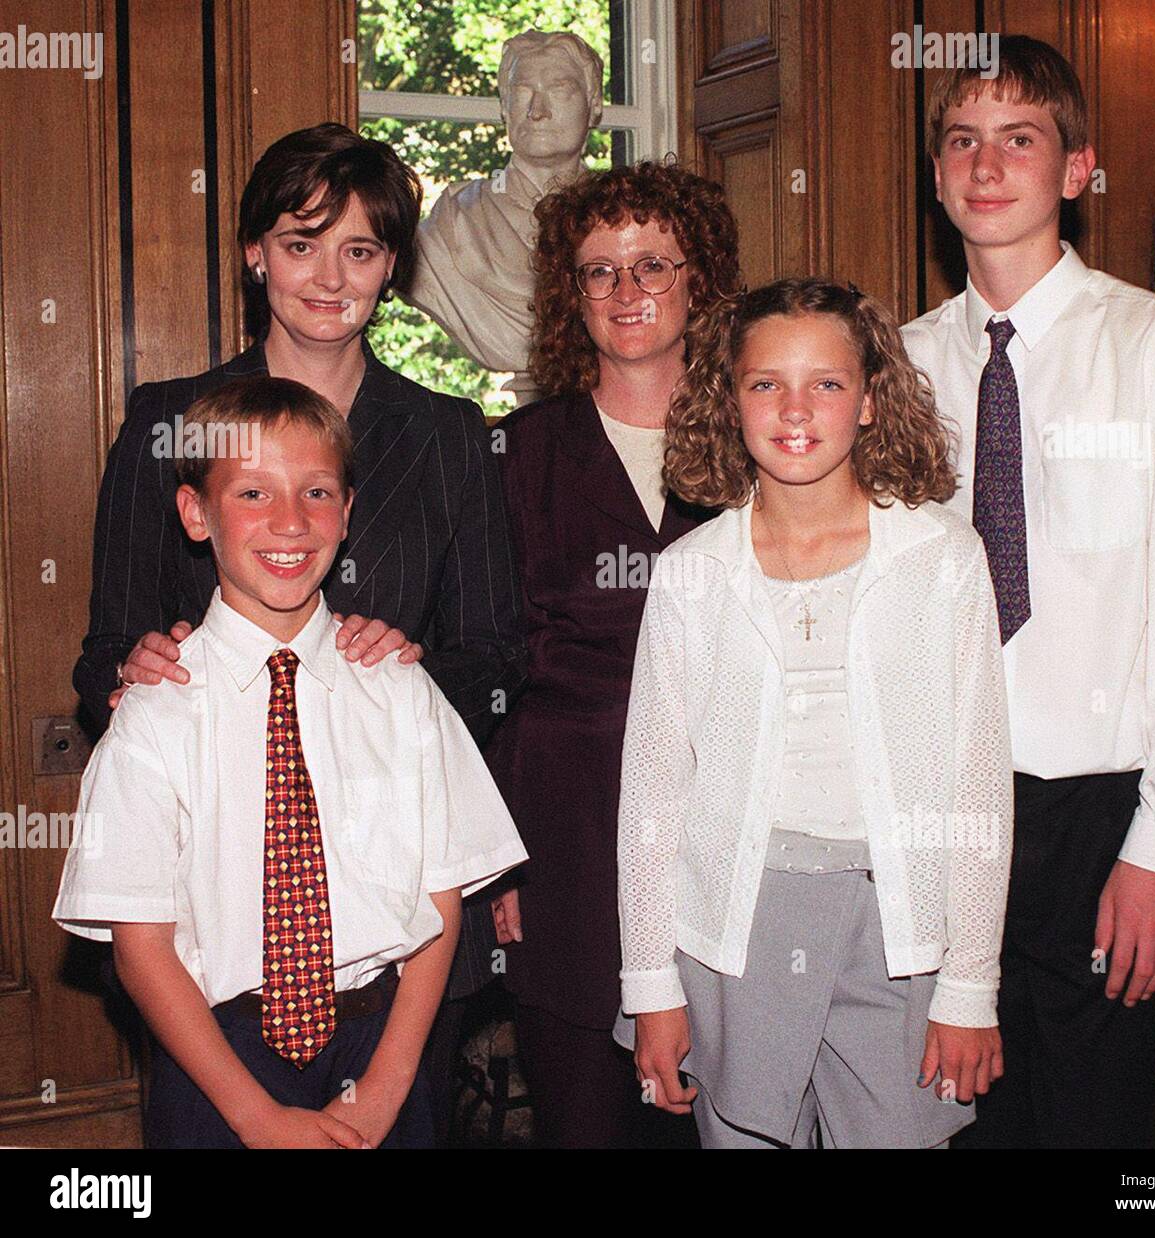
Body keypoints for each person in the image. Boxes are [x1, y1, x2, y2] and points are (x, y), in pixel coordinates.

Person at [72, 122, 527, 1145]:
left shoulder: (451, 431)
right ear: (253, 253)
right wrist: (132, 664)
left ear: (391, 269)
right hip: (225, 910)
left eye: (360, 250)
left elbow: (497, 650)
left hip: (390, 908)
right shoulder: (171, 421)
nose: (329, 276)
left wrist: (393, 669)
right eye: (300, 241)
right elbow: (105, 643)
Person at [900, 36, 1155, 1148]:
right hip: (937, 805)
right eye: (962, 139)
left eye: (1020, 138)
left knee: (1088, 1123)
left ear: (1075, 169)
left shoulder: (1154, 350)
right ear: (938, 170)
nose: (987, 163)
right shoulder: (897, 366)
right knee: (953, 1122)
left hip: (1100, 811)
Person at [616, 278, 1014, 1149]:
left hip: (901, 927)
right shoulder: (691, 571)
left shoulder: (944, 557)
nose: (795, 409)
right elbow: (652, 794)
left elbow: (977, 786)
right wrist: (650, 984)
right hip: (733, 931)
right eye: (765, 383)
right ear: (730, 400)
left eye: (826, 383)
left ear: (871, 400)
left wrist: (970, 985)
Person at [485, 159, 741, 1148]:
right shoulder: (516, 453)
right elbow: (480, 673)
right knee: (585, 1120)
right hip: (565, 829)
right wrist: (491, 858)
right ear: (570, 293)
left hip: (733, 822)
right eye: (598, 271)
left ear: (699, 279)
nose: (625, 291)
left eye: (650, 264)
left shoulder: (766, 436)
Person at [402, 29, 603, 403]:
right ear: (503, 108)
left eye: (559, 89)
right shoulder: (454, 223)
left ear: (595, 103)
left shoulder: (624, 224)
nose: (537, 111)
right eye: (523, 92)